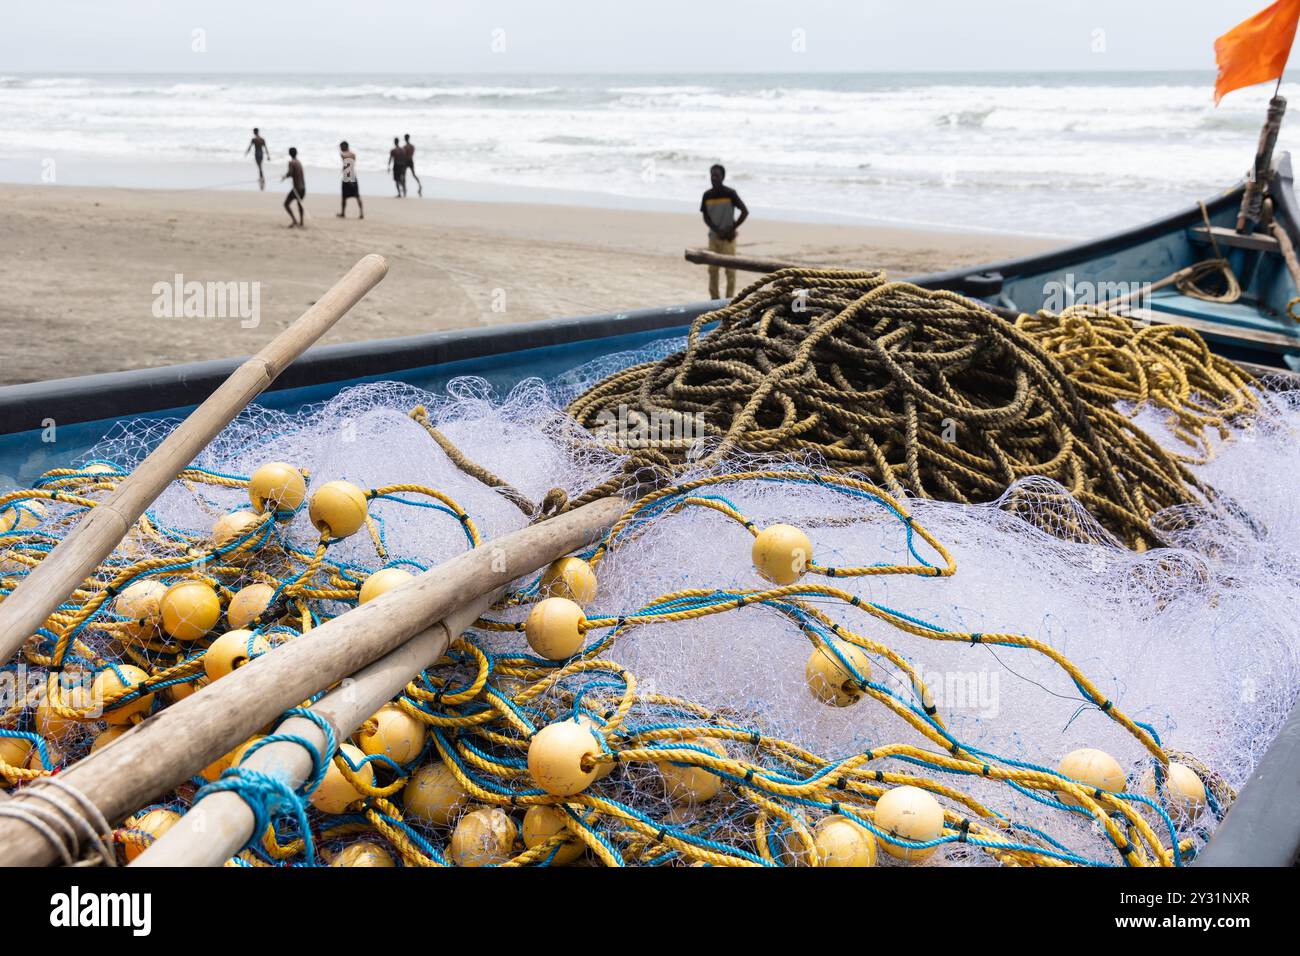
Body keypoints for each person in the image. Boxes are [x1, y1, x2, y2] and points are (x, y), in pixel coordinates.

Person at [699, 164, 749, 300]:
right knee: (713, 270)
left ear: (723, 177)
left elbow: (745, 212)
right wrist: (716, 230)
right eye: (712, 175)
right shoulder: (707, 195)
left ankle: (729, 299)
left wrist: (731, 228)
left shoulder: (730, 193)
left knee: (730, 270)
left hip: (729, 239)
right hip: (713, 238)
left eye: (717, 175)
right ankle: (714, 299)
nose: (714, 178)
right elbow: (705, 216)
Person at [338, 141, 363, 219]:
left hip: (347, 177)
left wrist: (348, 179)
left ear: (344, 146)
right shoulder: (353, 154)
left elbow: (347, 167)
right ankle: (361, 213)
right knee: (357, 195)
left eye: (341, 147)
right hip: (353, 175)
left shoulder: (343, 155)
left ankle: (343, 213)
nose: (340, 149)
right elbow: (351, 165)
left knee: (344, 196)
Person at [281, 147, 305, 228]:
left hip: (297, 188)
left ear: (289, 154)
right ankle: (301, 222)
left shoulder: (291, 162)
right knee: (299, 204)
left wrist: (284, 176)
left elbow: (290, 173)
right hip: (303, 188)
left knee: (286, 204)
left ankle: (295, 220)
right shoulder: (299, 162)